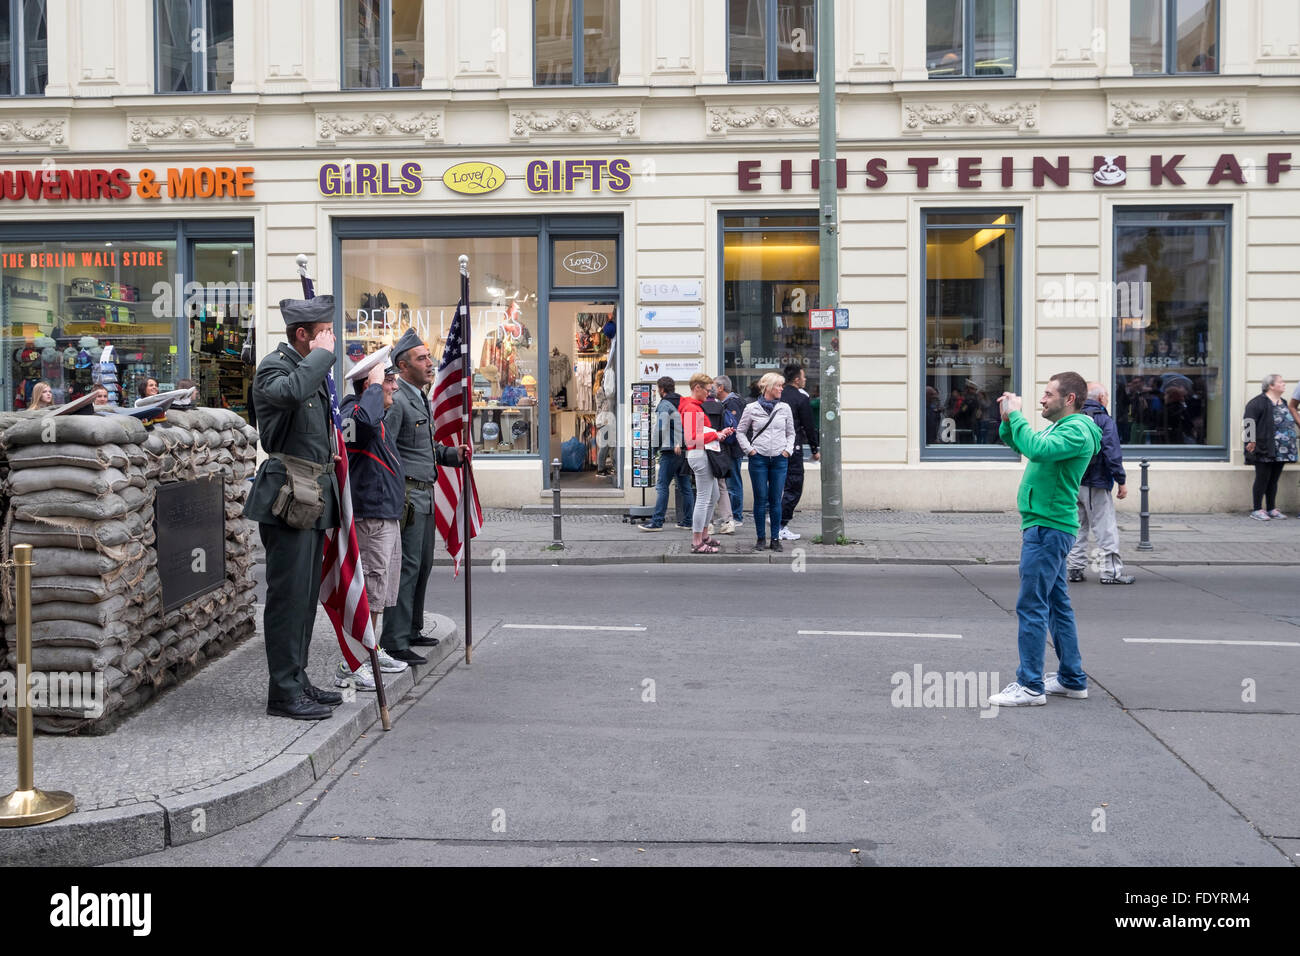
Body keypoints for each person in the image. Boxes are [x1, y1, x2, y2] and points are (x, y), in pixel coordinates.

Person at [243, 295, 343, 721]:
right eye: (324, 332)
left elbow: (310, 428)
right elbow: (290, 394)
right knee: (287, 598)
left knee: (304, 597)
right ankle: (282, 692)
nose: (331, 339)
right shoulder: (275, 367)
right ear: (303, 335)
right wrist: (322, 357)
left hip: (313, 490)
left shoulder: (307, 367)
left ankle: (297, 679)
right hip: (288, 494)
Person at [988, 372, 1101, 708]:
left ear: (1069, 399)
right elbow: (1022, 444)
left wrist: (1019, 415)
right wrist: (1009, 420)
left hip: (1049, 527)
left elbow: (1036, 450)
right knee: (1056, 605)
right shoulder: (1062, 427)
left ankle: (1030, 685)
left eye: (1049, 394)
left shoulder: (1077, 430)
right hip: (1046, 525)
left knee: (1032, 605)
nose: (1042, 399)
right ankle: (1071, 679)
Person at [380, 328, 469, 665]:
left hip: (424, 493)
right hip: (408, 494)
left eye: (429, 357)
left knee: (424, 565)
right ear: (403, 366)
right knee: (407, 567)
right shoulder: (398, 400)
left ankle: (412, 627)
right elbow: (386, 448)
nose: (430, 363)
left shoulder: (418, 395)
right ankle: (394, 639)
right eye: (422, 358)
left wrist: (450, 455)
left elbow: (425, 447)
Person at [334, 358, 410, 691]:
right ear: (370, 385)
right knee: (369, 593)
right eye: (387, 380)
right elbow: (359, 431)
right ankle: (351, 664)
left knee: (380, 593)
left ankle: (371, 651)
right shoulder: (355, 412)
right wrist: (376, 387)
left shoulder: (372, 413)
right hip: (371, 518)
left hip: (385, 516)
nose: (393, 386)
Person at [1068, 383, 1135, 585]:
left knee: (1077, 527)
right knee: (1104, 527)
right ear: (1101, 398)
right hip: (1095, 481)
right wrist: (1121, 481)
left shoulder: (1073, 417)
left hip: (1073, 481)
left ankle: (1074, 568)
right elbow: (1112, 453)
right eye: (1106, 396)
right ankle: (1110, 572)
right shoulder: (1103, 420)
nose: (1107, 399)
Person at [736, 372, 795, 552]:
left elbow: (791, 433)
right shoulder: (751, 408)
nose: (781, 389)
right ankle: (761, 538)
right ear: (769, 387)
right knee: (760, 499)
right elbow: (740, 431)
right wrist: (750, 451)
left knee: (776, 500)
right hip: (759, 458)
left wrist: (787, 450)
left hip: (779, 458)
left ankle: (775, 538)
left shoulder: (784, 408)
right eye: (779, 385)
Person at [680, 372, 735, 554]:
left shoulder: (694, 406)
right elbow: (691, 439)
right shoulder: (692, 408)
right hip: (699, 454)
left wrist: (717, 434)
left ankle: (703, 536)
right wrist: (716, 435)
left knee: (712, 496)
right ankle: (697, 541)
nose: (709, 394)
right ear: (697, 388)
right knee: (704, 498)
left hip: (701, 453)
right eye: (707, 390)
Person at [640, 376, 694, 531]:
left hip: (670, 451)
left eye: (658, 389)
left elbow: (661, 428)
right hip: (684, 450)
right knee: (685, 487)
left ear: (662, 389)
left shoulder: (665, 405)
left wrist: (653, 449)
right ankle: (688, 521)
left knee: (662, 486)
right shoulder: (683, 402)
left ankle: (657, 522)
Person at [1244, 374, 1297, 520]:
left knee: (1273, 479)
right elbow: (1249, 422)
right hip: (1264, 446)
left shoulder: (1283, 402)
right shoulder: (1257, 403)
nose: (1284, 384)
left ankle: (1271, 508)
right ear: (1271, 386)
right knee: (1262, 478)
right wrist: (1250, 441)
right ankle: (1256, 509)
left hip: (1282, 449)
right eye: (1281, 382)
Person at [779, 364, 819, 540]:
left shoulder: (777, 394)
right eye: (803, 377)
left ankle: (774, 518)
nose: (805, 380)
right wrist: (814, 448)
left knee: (775, 485)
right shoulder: (800, 398)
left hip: (774, 448)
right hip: (792, 448)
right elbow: (808, 425)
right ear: (796, 379)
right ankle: (781, 524)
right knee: (794, 485)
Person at [714, 375, 747, 528]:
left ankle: (736, 516)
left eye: (713, 386)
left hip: (733, 449)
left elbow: (734, 428)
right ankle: (730, 516)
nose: (711, 389)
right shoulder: (728, 402)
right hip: (731, 448)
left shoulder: (732, 403)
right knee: (730, 483)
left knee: (733, 483)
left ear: (721, 387)